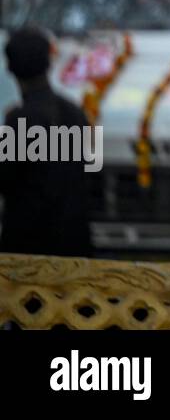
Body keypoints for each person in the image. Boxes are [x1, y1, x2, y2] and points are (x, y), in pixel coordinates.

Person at [0, 28, 95, 258]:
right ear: (49, 64)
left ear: (10, 68)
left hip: (28, 252)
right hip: (74, 246)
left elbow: (4, 179)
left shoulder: (19, 120)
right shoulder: (75, 112)